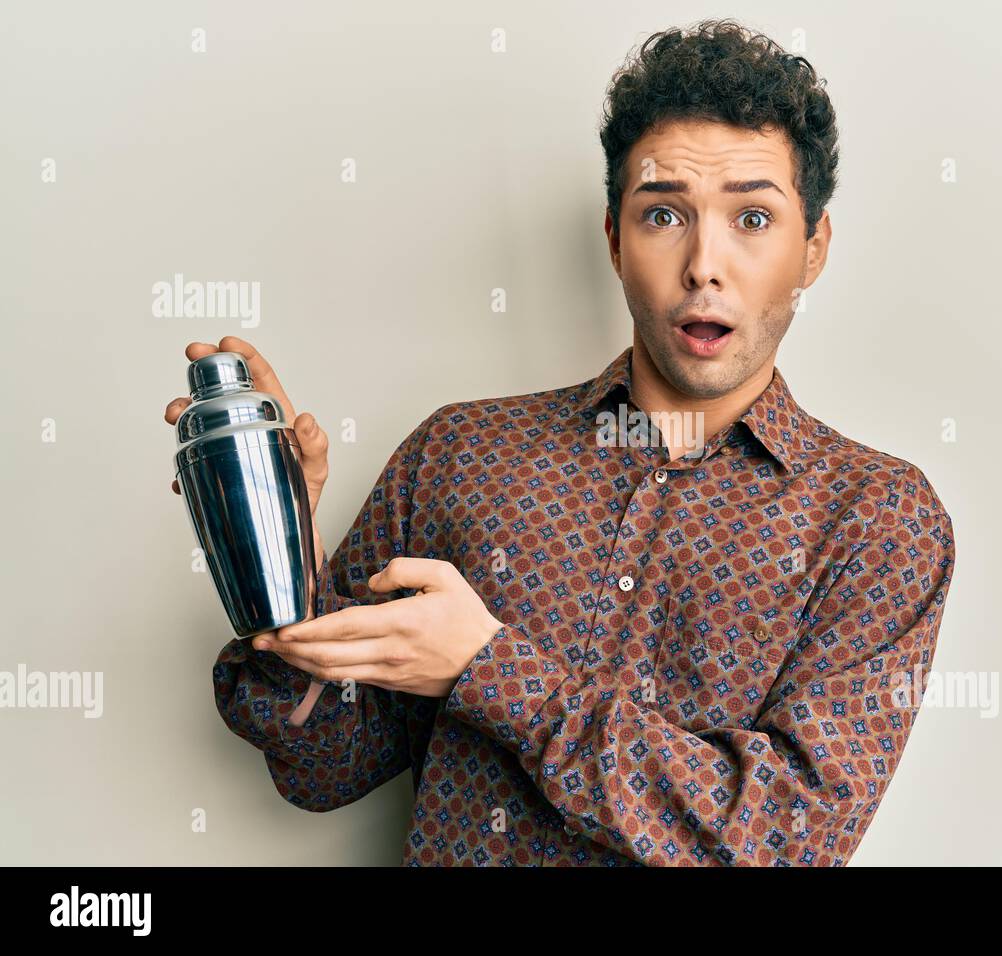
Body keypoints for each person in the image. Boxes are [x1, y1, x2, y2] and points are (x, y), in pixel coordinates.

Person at [163, 18, 956, 866]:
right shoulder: (462, 453)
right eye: (663, 215)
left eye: (753, 218)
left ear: (814, 250)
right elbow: (321, 767)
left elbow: (783, 838)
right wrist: (274, 544)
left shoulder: (880, 521)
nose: (703, 265)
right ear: (615, 238)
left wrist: (492, 669)